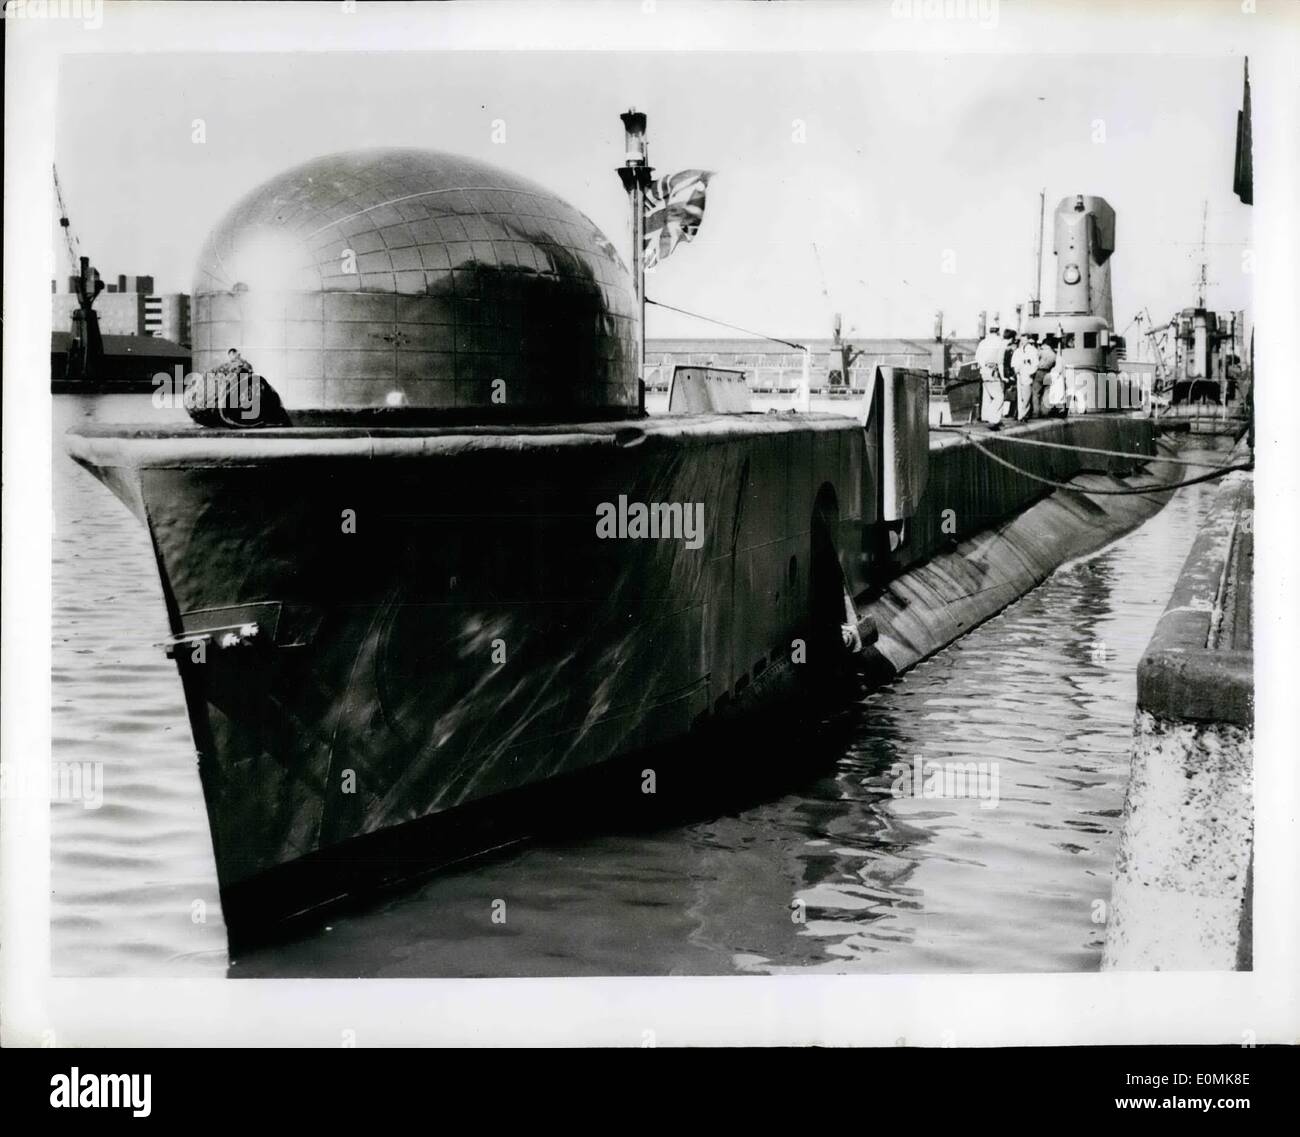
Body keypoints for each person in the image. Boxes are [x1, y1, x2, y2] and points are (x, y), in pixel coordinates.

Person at [974, 323, 1007, 429]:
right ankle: (993, 419)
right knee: (999, 396)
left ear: (989, 331)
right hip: (994, 371)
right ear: (998, 331)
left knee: (986, 395)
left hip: (984, 371)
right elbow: (1000, 361)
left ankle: (985, 417)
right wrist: (1003, 376)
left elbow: (977, 357)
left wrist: (984, 366)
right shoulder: (1000, 342)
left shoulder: (983, 342)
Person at [1011, 334, 1040, 422]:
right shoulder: (1018, 351)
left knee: (1026, 395)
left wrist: (1030, 372)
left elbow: (1035, 363)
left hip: (1027, 373)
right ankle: (1021, 414)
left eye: (1024, 340)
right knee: (1020, 395)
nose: (1022, 342)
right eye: (1021, 340)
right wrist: (1016, 370)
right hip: (1019, 373)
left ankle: (1024, 414)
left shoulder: (1032, 350)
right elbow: (1013, 362)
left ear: (1028, 340)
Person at [1033, 334, 1058, 417]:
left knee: (1036, 393)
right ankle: (1045, 412)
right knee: (1046, 393)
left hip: (1039, 372)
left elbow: (1034, 361)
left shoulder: (1040, 351)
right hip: (1048, 373)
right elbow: (1054, 364)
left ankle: (1036, 412)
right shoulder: (1054, 354)